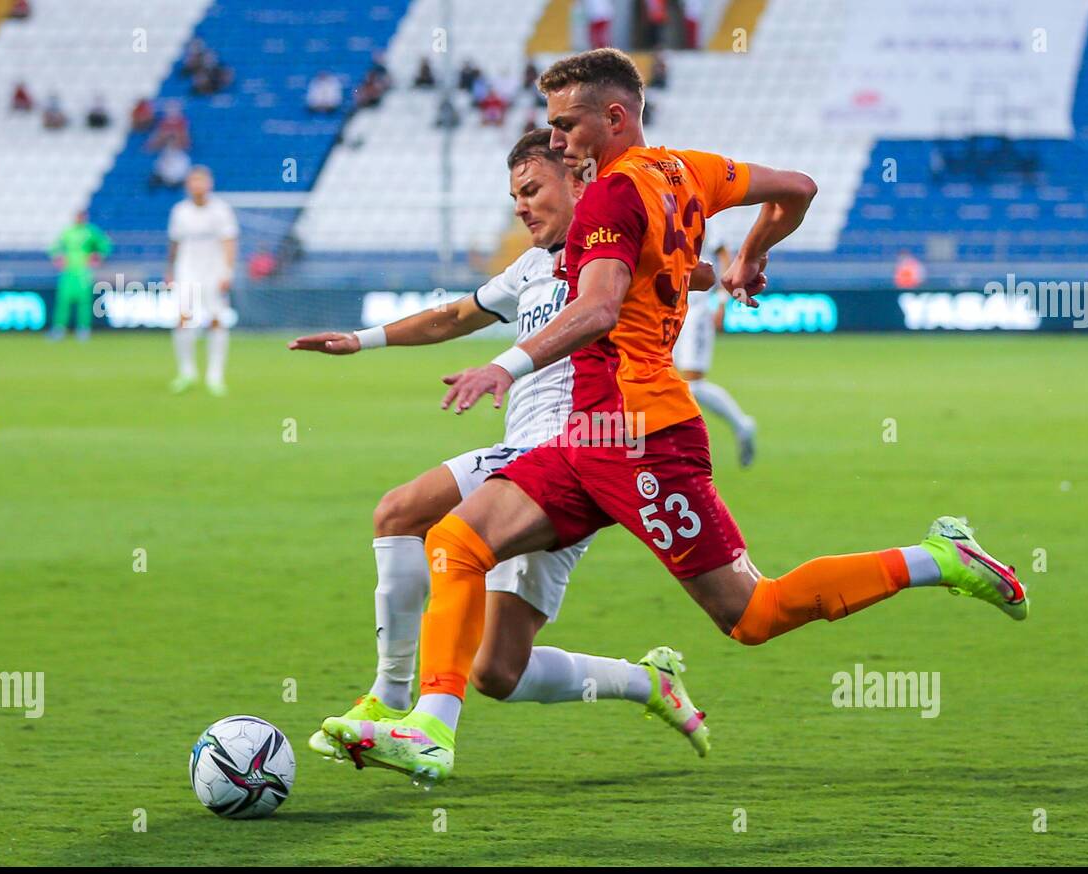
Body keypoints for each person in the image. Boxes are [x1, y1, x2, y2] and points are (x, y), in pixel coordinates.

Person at [341, 48, 1029, 786]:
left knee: (753, 614)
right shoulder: (688, 168)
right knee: (457, 539)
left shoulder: (607, 198)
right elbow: (797, 187)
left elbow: (599, 307)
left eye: (568, 126)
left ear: (614, 117)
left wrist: (500, 366)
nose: (559, 140)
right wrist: (751, 258)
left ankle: (939, 557)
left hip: (642, 437)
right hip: (590, 433)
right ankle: (431, 731)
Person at [290, 129, 713, 765]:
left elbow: (688, 268)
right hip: (525, 454)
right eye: (514, 194)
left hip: (577, 459)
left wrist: (723, 267)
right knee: (496, 671)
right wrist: (362, 340)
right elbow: (455, 317)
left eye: (532, 189)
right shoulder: (533, 266)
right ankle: (646, 681)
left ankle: (400, 706)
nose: (520, 205)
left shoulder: (613, 256)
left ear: (579, 183)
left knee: (409, 517)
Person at [673, 244, 757, 466]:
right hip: (670, 307)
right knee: (667, 379)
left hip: (696, 310)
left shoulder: (702, 212)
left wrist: (722, 302)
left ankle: (741, 424)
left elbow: (723, 255)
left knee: (693, 384)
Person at [166, 166, 238, 396]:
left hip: (213, 270)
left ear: (209, 184)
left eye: (201, 181)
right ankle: (187, 372)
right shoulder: (180, 211)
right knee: (183, 318)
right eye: (193, 182)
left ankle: (215, 375)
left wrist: (227, 271)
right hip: (186, 269)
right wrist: (170, 270)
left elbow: (229, 242)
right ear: (188, 185)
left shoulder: (221, 210)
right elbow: (175, 243)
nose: (197, 186)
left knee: (216, 319)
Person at [47, 211, 111, 341]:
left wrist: (98, 257)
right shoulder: (68, 232)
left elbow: (105, 245)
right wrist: (57, 258)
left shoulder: (90, 231)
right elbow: (54, 247)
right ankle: (59, 328)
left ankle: (83, 329)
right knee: (63, 302)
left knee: (84, 302)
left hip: (84, 271)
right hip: (68, 272)